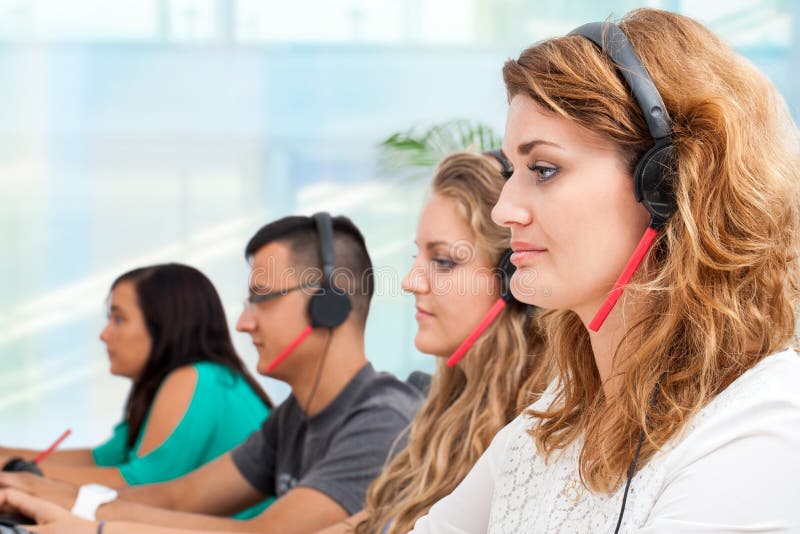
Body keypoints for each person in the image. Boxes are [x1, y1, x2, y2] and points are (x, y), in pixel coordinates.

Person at [410, 8, 800, 532]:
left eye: (543, 170)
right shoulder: (557, 415)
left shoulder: (762, 424)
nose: (504, 210)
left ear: (666, 184)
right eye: (513, 171)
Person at [0, 214, 423, 534]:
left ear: (328, 304)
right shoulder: (294, 416)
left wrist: (90, 524)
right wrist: (36, 494)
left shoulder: (381, 420)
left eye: (261, 299)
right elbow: (179, 496)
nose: (243, 323)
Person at [314, 151, 550, 534]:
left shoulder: (538, 429)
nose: (411, 281)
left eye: (442, 261)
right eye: (417, 256)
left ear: (511, 278)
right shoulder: (450, 412)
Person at [1, 263, 272, 518]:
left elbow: (139, 483)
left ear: (165, 324)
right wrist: (8, 460)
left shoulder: (196, 378)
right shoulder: (187, 381)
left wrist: (22, 473)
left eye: (119, 319)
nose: (104, 334)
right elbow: (100, 460)